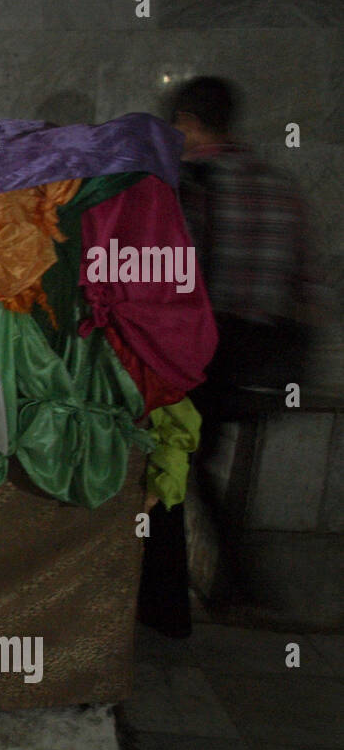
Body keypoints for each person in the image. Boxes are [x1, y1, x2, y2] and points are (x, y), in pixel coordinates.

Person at [137, 76, 326, 637]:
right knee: (191, 467)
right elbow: (311, 290)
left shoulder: (191, 184)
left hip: (200, 349)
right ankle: (227, 592)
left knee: (168, 466)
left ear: (189, 124)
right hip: (257, 357)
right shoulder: (278, 184)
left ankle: (172, 607)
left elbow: (168, 277)